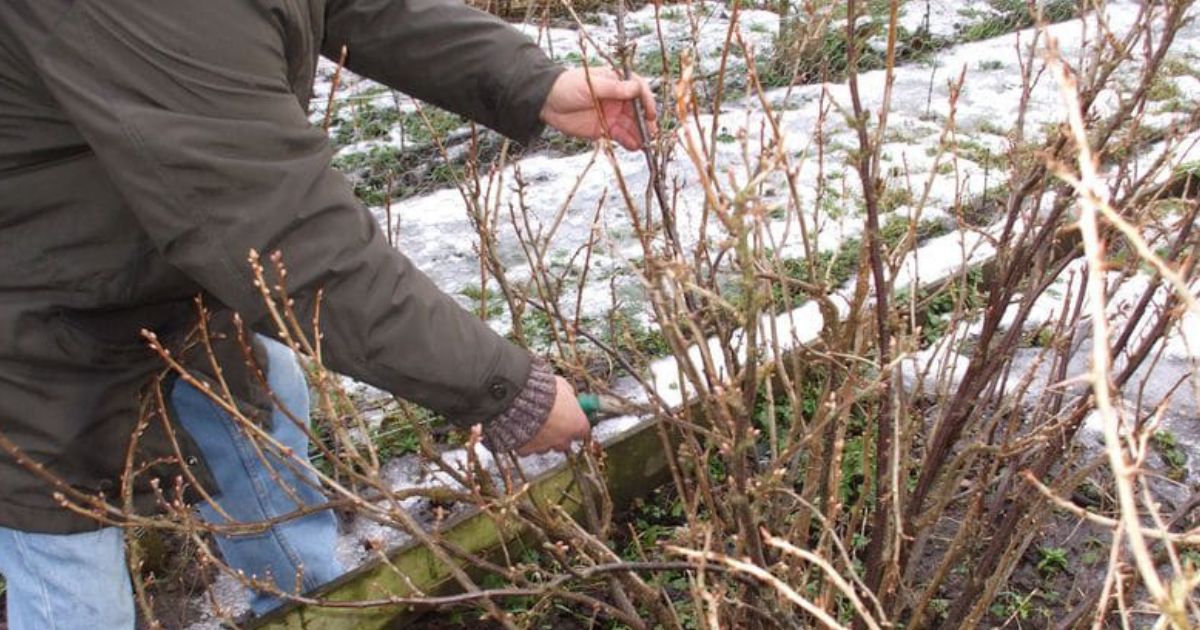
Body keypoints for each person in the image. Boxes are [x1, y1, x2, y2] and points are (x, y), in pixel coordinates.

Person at [0, 1, 657, 627]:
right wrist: (511, 394)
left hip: (168, 248)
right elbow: (291, 236)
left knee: (261, 399)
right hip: (32, 301)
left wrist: (531, 82)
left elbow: (359, 7)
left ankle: (307, 605)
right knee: (67, 557)